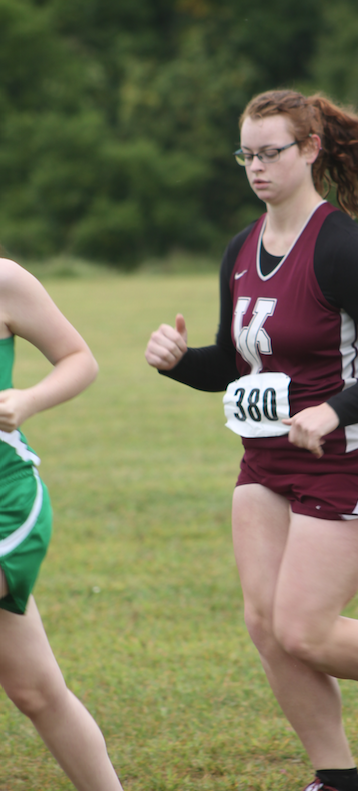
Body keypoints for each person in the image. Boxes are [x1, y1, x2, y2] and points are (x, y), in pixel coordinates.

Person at [145, 89, 358, 790]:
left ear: (309, 150)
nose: (256, 168)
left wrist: (332, 411)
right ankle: (337, 778)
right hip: (264, 460)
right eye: (246, 154)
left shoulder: (342, 248)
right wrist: (180, 362)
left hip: (346, 458)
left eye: (271, 153)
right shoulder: (240, 248)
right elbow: (237, 365)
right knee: (267, 628)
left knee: (304, 628)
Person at [0, 258, 123, 791]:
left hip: (4, 501)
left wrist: (27, 399)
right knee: (36, 691)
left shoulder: (4, 280)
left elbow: (79, 359)